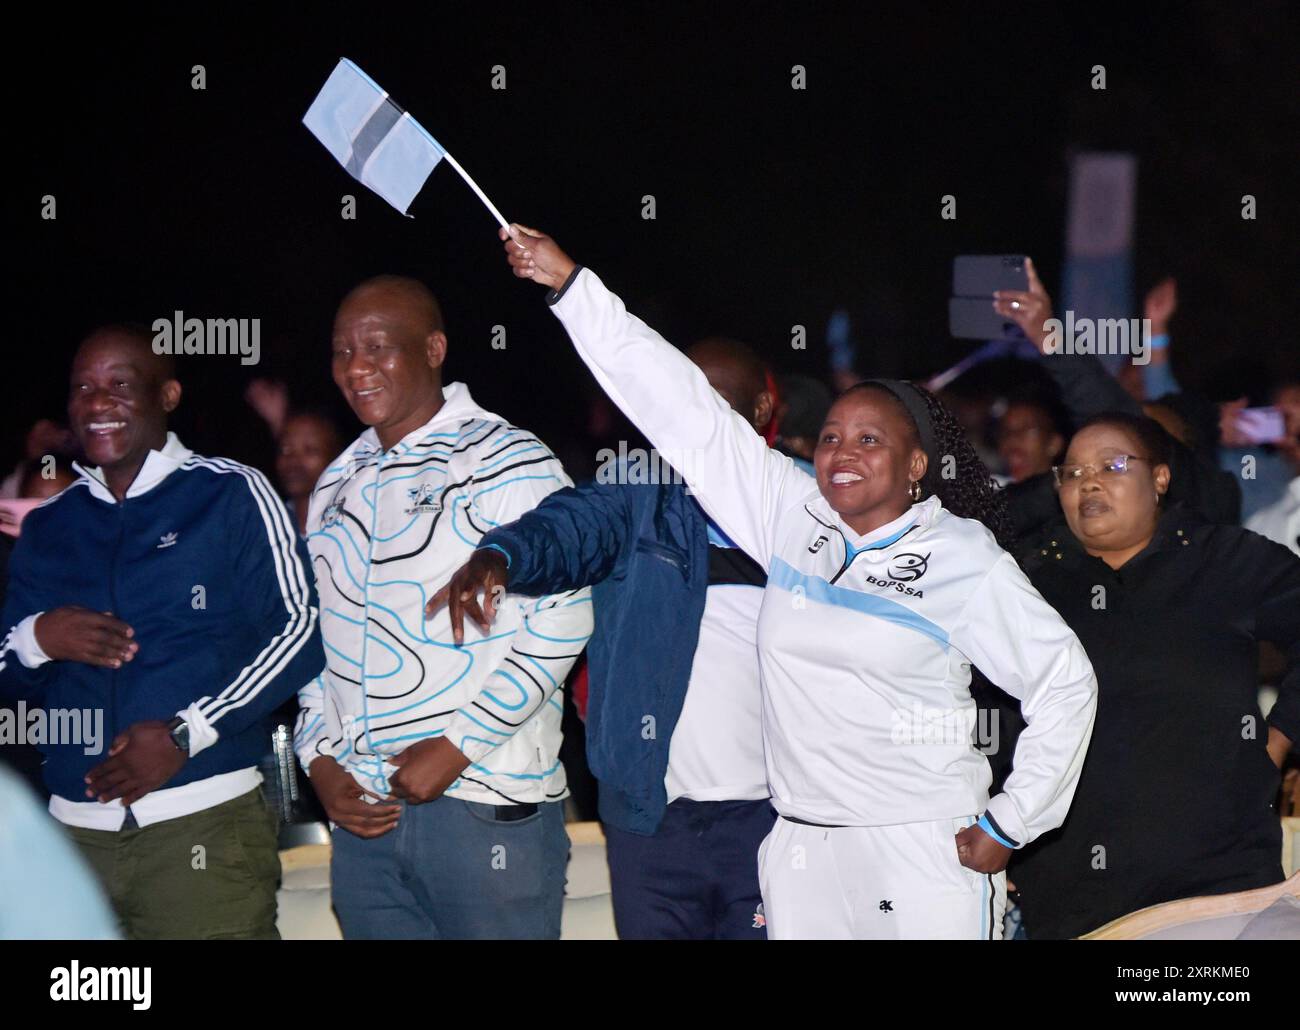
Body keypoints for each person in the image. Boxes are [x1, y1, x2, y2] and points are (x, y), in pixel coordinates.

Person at [491, 224, 1098, 940]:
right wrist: (571, 286)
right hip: (802, 846)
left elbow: (1065, 681)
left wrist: (1014, 819)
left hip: (918, 843)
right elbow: (685, 411)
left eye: (871, 440)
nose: (843, 452)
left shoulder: (961, 558)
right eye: (834, 436)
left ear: (915, 466)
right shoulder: (791, 515)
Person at [433, 338, 777, 940]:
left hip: (775, 819)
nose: (699, 421)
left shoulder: (804, 508)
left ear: (763, 408)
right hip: (651, 822)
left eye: (717, 403)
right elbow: (570, 525)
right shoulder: (638, 500)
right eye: (683, 402)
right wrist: (502, 555)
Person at [293, 275, 592, 940]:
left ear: (433, 349)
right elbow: (318, 641)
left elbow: (569, 615)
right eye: (342, 351)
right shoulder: (336, 483)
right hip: (366, 819)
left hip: (484, 807)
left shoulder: (506, 457)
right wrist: (320, 761)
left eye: (378, 347)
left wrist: (457, 749)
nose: (357, 367)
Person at [0, 325, 324, 939]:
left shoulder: (231, 493)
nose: (97, 403)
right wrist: (39, 637)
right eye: (82, 388)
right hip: (71, 839)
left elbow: (301, 629)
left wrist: (187, 732)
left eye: (119, 385)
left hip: (203, 823)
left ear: (167, 395)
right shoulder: (49, 526)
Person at [1008, 412, 1299, 938]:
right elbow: (987, 708)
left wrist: (1278, 742)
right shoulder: (1030, 578)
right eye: (1071, 474)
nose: (1088, 482)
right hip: (1073, 888)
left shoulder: (1224, 560)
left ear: (1160, 478)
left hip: (1220, 882)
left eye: (1112, 465)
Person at [275, 410, 344, 537]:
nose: (293, 460)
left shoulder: (351, 524)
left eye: (310, 450)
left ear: (335, 459)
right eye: (286, 449)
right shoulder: (269, 525)